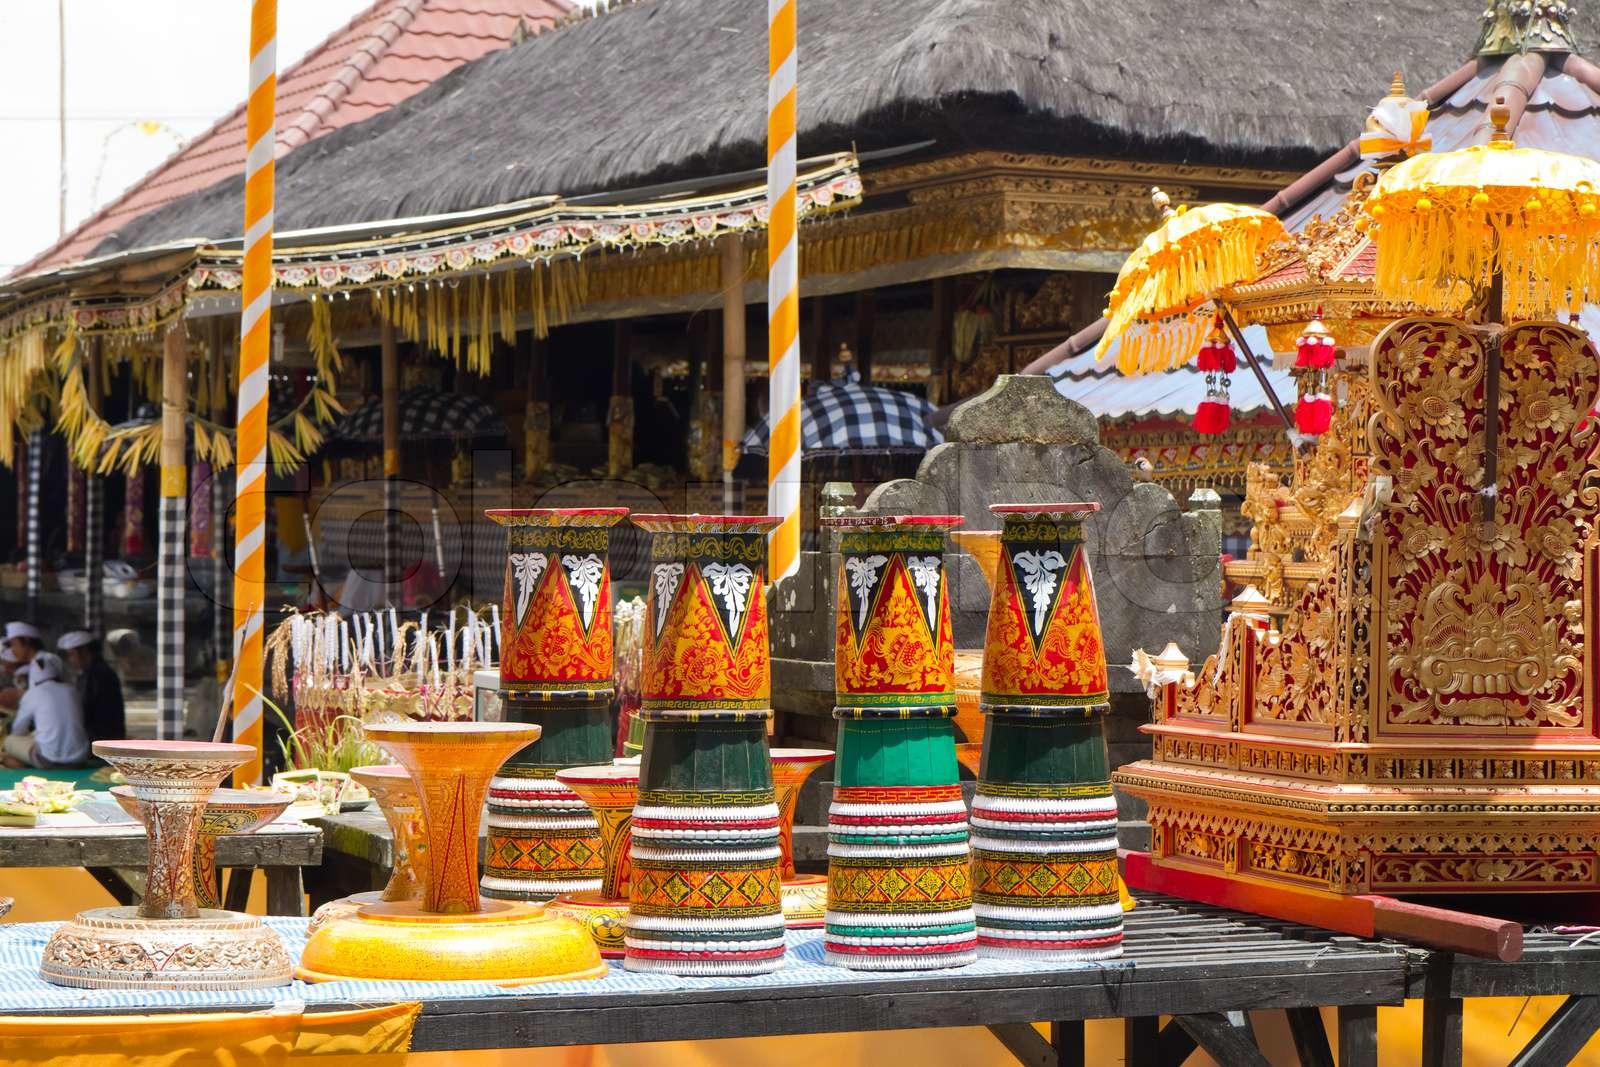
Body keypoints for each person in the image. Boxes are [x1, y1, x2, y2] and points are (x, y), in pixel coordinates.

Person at [1, 652, 89, 769]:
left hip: (48, 760)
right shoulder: (72, 691)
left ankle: (26, 766)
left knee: (9, 741)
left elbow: (18, 730)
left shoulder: (33, 693)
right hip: (80, 759)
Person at [58, 631, 125, 743]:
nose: (71, 660)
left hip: (99, 738)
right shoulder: (98, 671)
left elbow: (84, 706)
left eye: (72, 654)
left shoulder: (95, 674)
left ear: (84, 651)